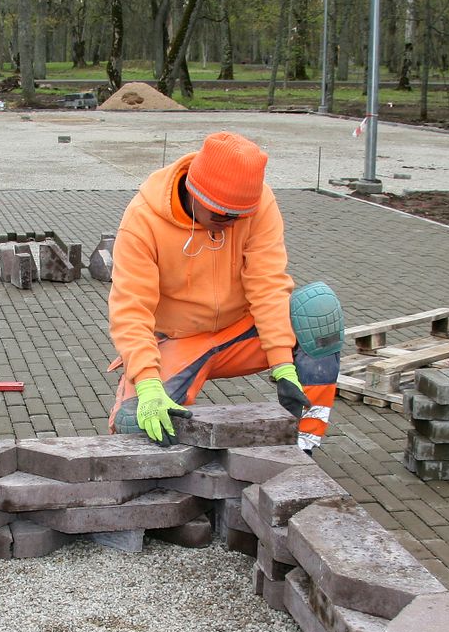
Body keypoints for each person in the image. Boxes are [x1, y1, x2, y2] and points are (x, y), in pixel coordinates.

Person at [106, 131, 344, 453]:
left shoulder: (258, 204)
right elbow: (131, 309)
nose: (231, 225)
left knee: (319, 312)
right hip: (180, 339)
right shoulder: (143, 220)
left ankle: (301, 447)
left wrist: (282, 364)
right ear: (194, 192)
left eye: (239, 217)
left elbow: (268, 285)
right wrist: (147, 383)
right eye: (221, 216)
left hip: (242, 332)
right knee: (135, 421)